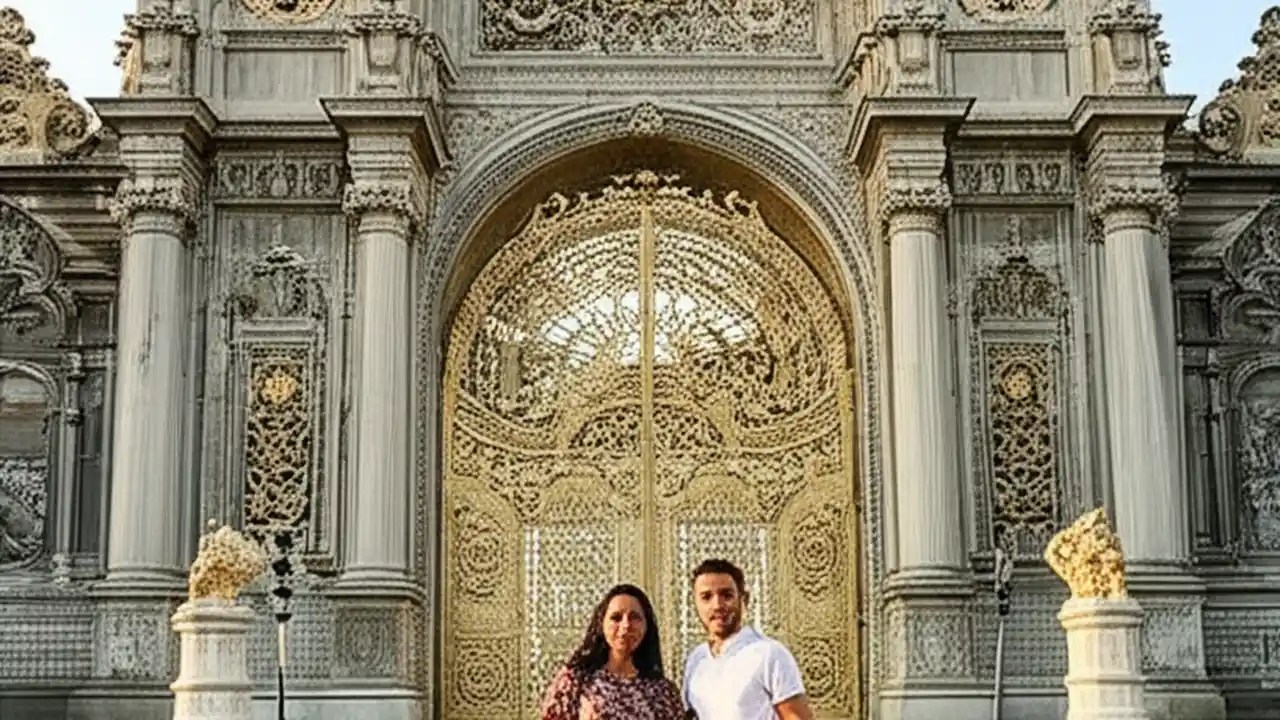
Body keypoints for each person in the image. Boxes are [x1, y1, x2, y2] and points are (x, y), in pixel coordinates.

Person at [682, 559, 815, 720]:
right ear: (695, 603)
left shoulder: (769, 654)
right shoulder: (696, 659)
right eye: (706, 597)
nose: (717, 605)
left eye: (727, 595)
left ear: (743, 599)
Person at [540, 583, 685, 720]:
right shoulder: (576, 680)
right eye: (616, 618)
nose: (626, 625)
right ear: (601, 624)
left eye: (635, 617)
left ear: (647, 626)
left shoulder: (662, 692)